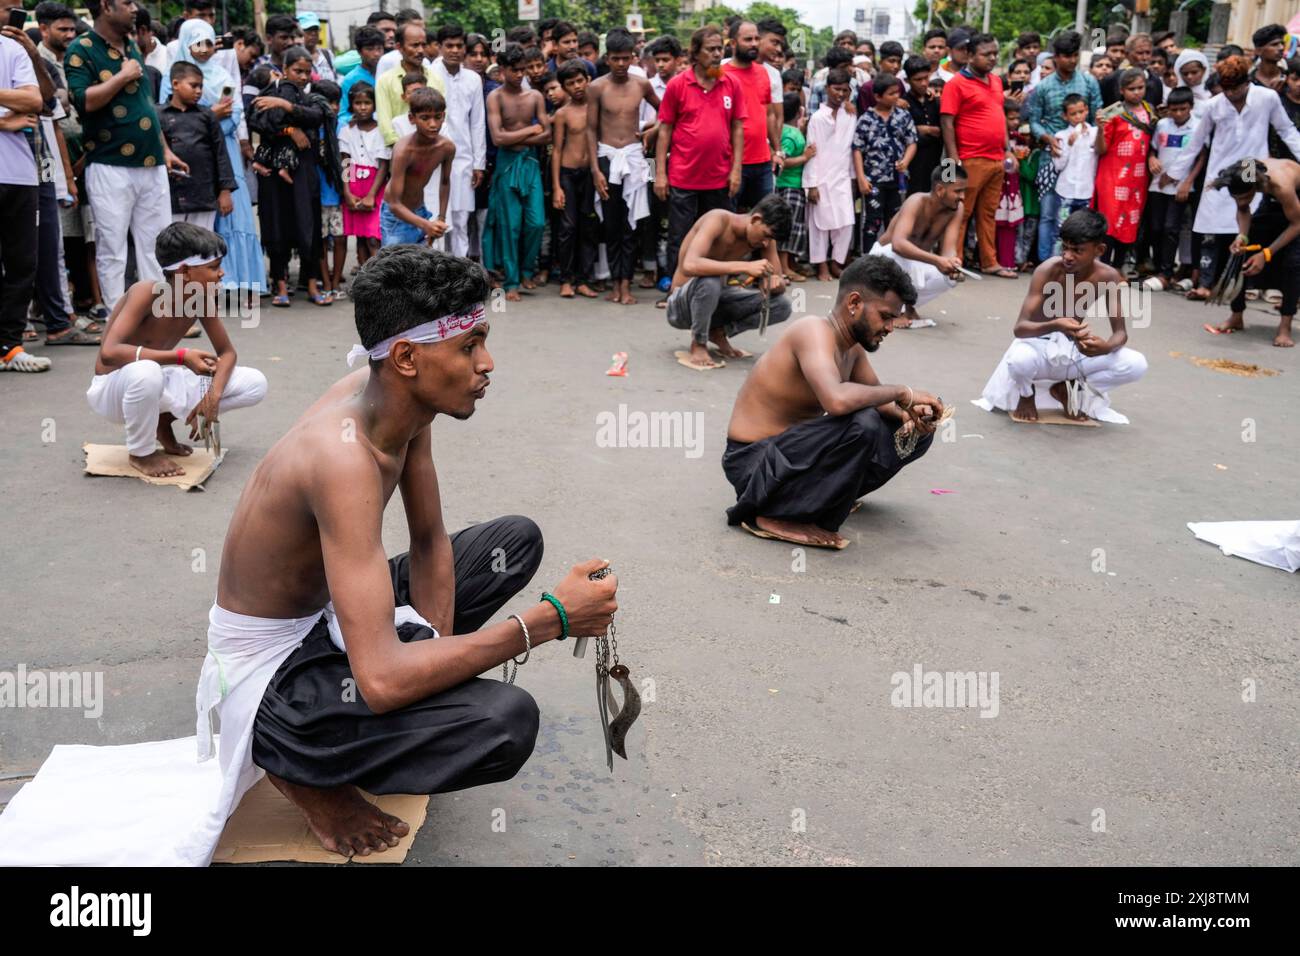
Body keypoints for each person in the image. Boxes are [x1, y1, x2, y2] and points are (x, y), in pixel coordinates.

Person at [194, 245, 618, 860]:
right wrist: (547, 620)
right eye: (469, 346)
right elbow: (384, 679)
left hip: (330, 613)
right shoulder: (341, 460)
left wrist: (434, 653)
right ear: (406, 357)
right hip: (268, 673)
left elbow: (429, 541)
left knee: (512, 540)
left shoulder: (401, 401)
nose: (487, 364)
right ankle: (294, 764)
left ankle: (382, 719)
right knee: (504, 722)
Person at [723, 254, 943, 550]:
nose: (891, 327)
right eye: (886, 316)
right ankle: (776, 514)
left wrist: (912, 415)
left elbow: (880, 402)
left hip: (790, 458)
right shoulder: (812, 332)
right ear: (854, 303)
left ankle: (823, 500)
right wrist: (903, 393)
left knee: (912, 433)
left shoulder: (851, 350)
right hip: (753, 461)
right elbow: (837, 400)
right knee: (861, 423)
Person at [85, 222, 266, 477]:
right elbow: (109, 352)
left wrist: (212, 396)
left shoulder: (200, 299)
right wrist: (181, 357)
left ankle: (161, 422)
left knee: (255, 383)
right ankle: (141, 452)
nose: (221, 274)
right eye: (214, 268)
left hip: (152, 383)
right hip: (113, 390)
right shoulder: (146, 292)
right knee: (147, 372)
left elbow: (227, 353)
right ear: (185, 271)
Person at [64, 0, 188, 310]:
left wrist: (165, 150)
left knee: (156, 245)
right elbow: (84, 101)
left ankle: (157, 317)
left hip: (151, 162)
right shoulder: (81, 49)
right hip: (109, 164)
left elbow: (144, 105)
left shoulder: (131, 45)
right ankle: (118, 322)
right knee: (113, 249)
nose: (135, 8)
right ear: (106, 6)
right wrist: (121, 76)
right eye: (127, 2)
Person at [975, 209, 1148, 423]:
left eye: (1077, 250)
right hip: (1036, 345)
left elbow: (1120, 333)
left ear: (1099, 250)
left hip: (1072, 350)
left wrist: (1104, 347)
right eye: (1065, 247)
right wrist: (1056, 324)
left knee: (1136, 364)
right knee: (1020, 360)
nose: (1067, 255)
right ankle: (1027, 394)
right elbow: (1020, 328)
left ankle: (1070, 391)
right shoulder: (1048, 270)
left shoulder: (1109, 277)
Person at [1174, 55, 1300, 302]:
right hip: (1224, 173)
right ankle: (1213, 285)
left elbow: (1286, 130)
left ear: (1247, 82)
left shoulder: (1266, 98)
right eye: (1226, 88)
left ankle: (1249, 284)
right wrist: (1176, 174)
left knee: (1251, 228)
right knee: (1218, 232)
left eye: (1236, 87)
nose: (1231, 93)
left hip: (1256, 170)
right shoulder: (1214, 105)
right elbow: (1196, 142)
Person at [654, 25, 744, 296]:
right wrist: (660, 173)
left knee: (719, 238)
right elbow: (665, 130)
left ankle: (717, 291)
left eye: (720, 48)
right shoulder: (678, 85)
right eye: (711, 49)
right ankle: (676, 291)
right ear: (695, 53)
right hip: (683, 176)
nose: (718, 54)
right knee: (680, 237)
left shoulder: (731, 84)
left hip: (719, 177)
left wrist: (736, 170)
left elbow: (738, 128)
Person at [664, 194, 793, 370]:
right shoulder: (718, 220)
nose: (766, 243)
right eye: (765, 235)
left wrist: (773, 284)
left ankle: (719, 332)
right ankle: (699, 342)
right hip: (681, 306)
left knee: (782, 305)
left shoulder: (765, 241)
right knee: (710, 280)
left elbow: (777, 282)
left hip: (715, 303)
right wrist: (744, 267)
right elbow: (690, 264)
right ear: (755, 219)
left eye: (770, 239)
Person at [248, 45, 326, 307]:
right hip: (272, 168)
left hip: (303, 168)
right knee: (276, 224)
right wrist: (289, 130)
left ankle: (313, 284)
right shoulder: (268, 93)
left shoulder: (310, 96)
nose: (303, 77)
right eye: (297, 71)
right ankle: (280, 284)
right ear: (284, 69)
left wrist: (286, 106)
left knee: (308, 225)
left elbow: (318, 117)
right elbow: (259, 121)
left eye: (307, 72)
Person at [587, 28, 658, 306]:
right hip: (605, 158)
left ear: (633, 57)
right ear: (607, 58)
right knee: (612, 224)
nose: (620, 64)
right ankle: (614, 283)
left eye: (625, 58)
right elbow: (591, 130)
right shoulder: (597, 87)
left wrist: (652, 129)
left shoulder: (641, 85)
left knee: (632, 227)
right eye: (615, 58)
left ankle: (626, 285)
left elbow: (666, 111)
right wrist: (594, 170)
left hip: (634, 158)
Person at [1022, 30, 1102, 265]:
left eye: (1075, 55)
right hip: (1052, 156)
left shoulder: (1088, 81)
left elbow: (1099, 115)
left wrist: (1090, 139)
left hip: (1083, 159)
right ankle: (1047, 262)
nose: (1071, 60)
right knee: (1048, 214)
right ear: (1056, 56)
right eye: (1066, 56)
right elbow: (1034, 120)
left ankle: (1075, 261)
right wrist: (1047, 139)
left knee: (1079, 216)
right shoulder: (1043, 86)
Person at [940, 32, 1014, 278]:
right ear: (970, 56)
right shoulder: (955, 84)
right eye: (986, 54)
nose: (992, 58)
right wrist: (953, 161)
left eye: (995, 53)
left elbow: (1000, 116)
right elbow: (947, 123)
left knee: (988, 214)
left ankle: (989, 262)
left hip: (996, 159)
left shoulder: (996, 81)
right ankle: (954, 264)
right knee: (960, 213)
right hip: (968, 159)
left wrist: (1007, 149)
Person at [1204, 158, 1300, 347]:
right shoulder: (1244, 174)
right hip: (1271, 204)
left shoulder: (1281, 184)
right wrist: (1242, 238)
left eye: (1244, 197)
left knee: (1293, 263)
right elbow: (1243, 209)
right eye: (1236, 198)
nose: (1240, 201)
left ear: (1256, 186)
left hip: (1296, 208)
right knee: (1241, 254)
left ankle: (1285, 326)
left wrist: (1266, 254)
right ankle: (1236, 315)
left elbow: (1297, 224)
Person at [483, 43, 548, 299]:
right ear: (502, 70)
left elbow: (548, 135)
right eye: (514, 70)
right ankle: (511, 281)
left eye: (522, 70)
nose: (520, 74)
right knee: (509, 225)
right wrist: (530, 131)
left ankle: (526, 270)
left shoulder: (535, 97)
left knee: (536, 222)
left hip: (530, 163)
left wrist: (520, 138)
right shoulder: (495, 97)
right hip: (507, 163)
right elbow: (498, 138)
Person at [0, 30, 45, 372]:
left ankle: (9, 347)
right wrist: (4, 120)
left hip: (18, 173)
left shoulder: (11, 49)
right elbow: (20, 104)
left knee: (21, 262)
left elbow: (34, 103)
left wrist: (16, 112)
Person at [870, 165, 967, 321]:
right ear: (940, 189)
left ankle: (909, 305)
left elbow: (949, 249)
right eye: (957, 191)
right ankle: (895, 310)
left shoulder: (957, 208)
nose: (962, 196)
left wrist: (951, 262)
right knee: (898, 257)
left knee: (950, 278)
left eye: (964, 191)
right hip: (884, 259)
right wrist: (937, 260)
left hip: (915, 262)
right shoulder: (915, 201)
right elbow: (898, 245)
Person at [431, 23, 485, 258]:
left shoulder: (473, 79)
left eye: (459, 45)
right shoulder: (429, 74)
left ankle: (461, 276)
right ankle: (439, 276)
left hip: (463, 160)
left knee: (462, 220)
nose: (454, 50)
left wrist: (478, 163)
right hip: (433, 160)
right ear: (439, 47)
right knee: (438, 220)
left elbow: (477, 123)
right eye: (449, 45)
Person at [159, 60, 234, 231]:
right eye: (193, 86)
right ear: (175, 84)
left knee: (201, 245)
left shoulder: (207, 115)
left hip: (203, 192)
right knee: (173, 243)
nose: (199, 91)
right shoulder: (159, 114)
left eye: (201, 86)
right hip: (171, 194)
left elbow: (220, 153)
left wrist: (225, 191)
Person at [1095, 69, 1155, 269]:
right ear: (1122, 90)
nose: (1137, 92)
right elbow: (1101, 149)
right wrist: (1100, 129)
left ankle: (1118, 268)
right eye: (1131, 89)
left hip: (1137, 178)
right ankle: (1103, 268)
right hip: (1113, 175)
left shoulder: (1149, 111)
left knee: (1130, 221)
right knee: (1110, 221)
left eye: (1140, 88)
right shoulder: (1113, 112)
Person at [382, 86, 454, 249]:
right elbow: (394, 203)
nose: (433, 124)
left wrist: (441, 218)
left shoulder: (446, 147)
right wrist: (425, 225)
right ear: (412, 118)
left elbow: (445, 182)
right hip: (396, 216)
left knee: (419, 268)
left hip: (419, 210)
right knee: (394, 267)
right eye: (425, 118)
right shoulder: (403, 151)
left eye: (438, 117)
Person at [853, 73, 916, 255]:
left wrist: (906, 161)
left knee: (896, 219)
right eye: (891, 93)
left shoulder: (903, 116)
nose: (896, 97)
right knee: (872, 220)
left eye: (897, 92)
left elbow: (912, 142)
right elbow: (857, 149)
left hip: (898, 178)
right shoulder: (866, 119)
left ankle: (894, 259)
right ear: (878, 96)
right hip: (874, 179)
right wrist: (861, 178)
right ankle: (868, 259)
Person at [1145, 86, 1200, 291]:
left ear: (1191, 107)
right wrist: (1151, 158)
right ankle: (1159, 268)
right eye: (1173, 110)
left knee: (1171, 228)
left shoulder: (1197, 127)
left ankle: (1166, 272)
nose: (1178, 114)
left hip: (1180, 186)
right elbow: (1153, 148)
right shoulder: (1162, 125)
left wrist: (1188, 181)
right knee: (1156, 227)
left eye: (1182, 109)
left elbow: (1200, 155)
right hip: (1158, 183)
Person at [552, 59, 598, 299]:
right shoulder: (562, 113)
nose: (577, 86)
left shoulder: (596, 107)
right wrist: (557, 186)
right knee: (567, 228)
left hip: (590, 175)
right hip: (568, 174)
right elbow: (557, 150)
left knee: (588, 227)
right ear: (564, 87)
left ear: (587, 80)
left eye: (580, 81)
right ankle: (566, 279)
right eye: (571, 83)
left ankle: (584, 279)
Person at [804, 67, 855, 282]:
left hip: (843, 177)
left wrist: (853, 179)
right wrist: (812, 184)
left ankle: (836, 263)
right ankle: (821, 266)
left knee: (846, 223)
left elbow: (852, 149)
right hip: (820, 176)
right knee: (820, 225)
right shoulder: (817, 118)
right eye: (836, 89)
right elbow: (811, 152)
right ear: (826, 89)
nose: (840, 94)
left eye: (844, 90)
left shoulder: (850, 114)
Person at [723, 20, 780, 211]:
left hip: (763, 162)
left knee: (765, 222)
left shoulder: (764, 73)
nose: (754, 43)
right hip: (731, 163)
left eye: (757, 38)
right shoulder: (720, 74)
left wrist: (777, 150)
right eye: (748, 39)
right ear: (732, 43)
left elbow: (769, 113)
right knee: (730, 222)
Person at [338, 81, 387, 267]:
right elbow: (346, 163)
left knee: (374, 237)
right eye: (358, 103)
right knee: (360, 237)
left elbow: (383, 165)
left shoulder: (382, 129)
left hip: (375, 186)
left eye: (367, 103)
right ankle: (365, 279)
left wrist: (372, 194)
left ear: (374, 104)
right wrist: (347, 192)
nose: (363, 107)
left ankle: (378, 277)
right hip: (354, 185)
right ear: (351, 105)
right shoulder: (346, 130)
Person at [376, 21, 441, 147]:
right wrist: (402, 150)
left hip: (432, 151)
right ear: (399, 47)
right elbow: (385, 124)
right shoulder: (385, 81)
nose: (421, 50)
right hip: (397, 150)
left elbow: (442, 117)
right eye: (415, 45)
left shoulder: (435, 79)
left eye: (423, 45)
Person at [775, 92, 812, 281]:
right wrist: (805, 157)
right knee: (789, 228)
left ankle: (789, 264)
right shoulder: (791, 135)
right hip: (790, 186)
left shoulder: (783, 130)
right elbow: (783, 160)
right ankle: (784, 267)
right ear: (798, 111)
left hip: (786, 185)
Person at [903, 55, 941, 196]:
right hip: (915, 165)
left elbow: (945, 131)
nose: (924, 83)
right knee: (917, 200)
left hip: (941, 159)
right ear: (907, 80)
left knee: (944, 197)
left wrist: (927, 130)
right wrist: (922, 129)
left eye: (926, 78)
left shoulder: (936, 102)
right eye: (918, 80)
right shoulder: (903, 103)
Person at [1100, 33, 1163, 108]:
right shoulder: (1112, 79)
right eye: (1140, 53)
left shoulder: (1156, 81)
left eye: (1148, 53)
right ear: (1127, 54)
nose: (1144, 57)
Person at [339, 25, 384, 127]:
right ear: (359, 51)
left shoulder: (388, 74)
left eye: (379, 48)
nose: (376, 53)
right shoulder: (350, 80)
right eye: (370, 49)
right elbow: (343, 115)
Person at [297, 12, 335, 84]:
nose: (313, 34)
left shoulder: (327, 55)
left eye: (315, 29)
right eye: (308, 30)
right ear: (299, 32)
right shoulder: (295, 57)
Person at [1250, 23, 1286, 91]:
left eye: (1282, 44)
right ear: (1258, 51)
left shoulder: (1289, 79)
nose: (1281, 48)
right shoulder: (1248, 81)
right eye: (1274, 44)